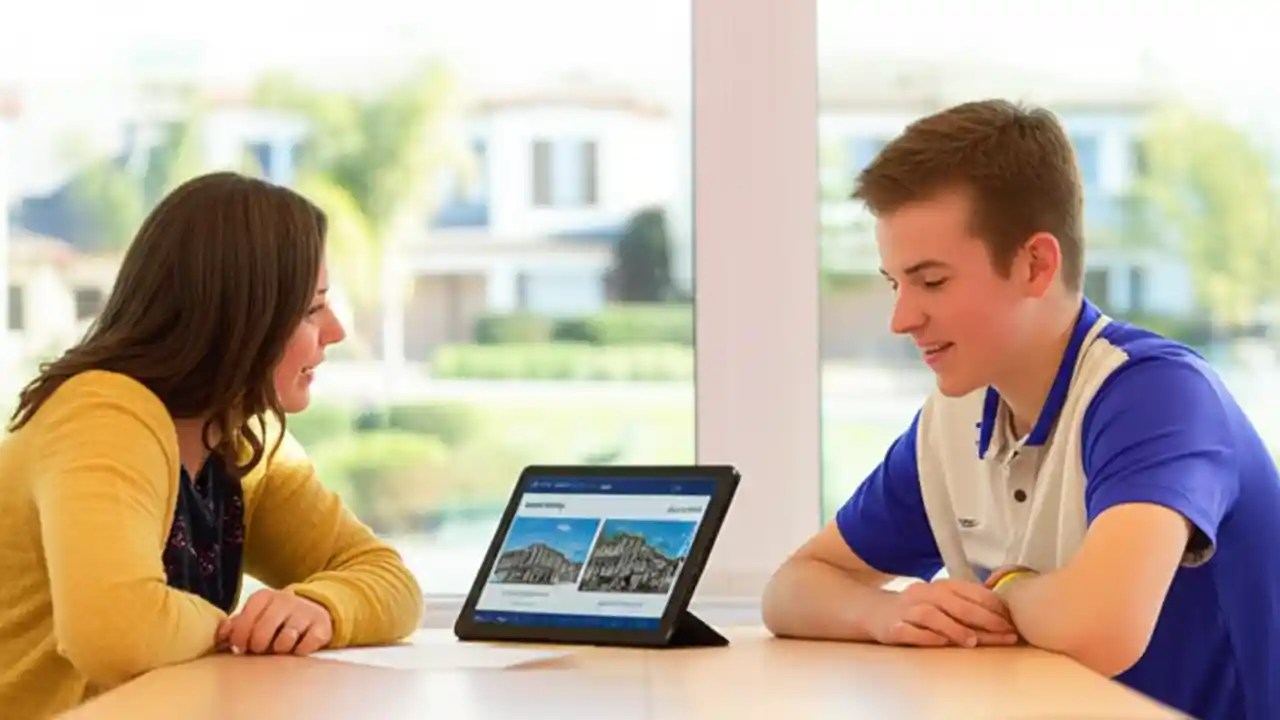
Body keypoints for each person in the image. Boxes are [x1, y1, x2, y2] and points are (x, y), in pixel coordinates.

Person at [761, 100, 1280, 720]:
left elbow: (1103, 627)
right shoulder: (954, 419)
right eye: (895, 283)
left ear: (1036, 264)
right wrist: (891, 611)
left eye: (931, 282)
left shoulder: (1158, 395)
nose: (902, 319)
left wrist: (1006, 590)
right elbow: (792, 588)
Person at [0, 172, 424, 717]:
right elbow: (114, 633)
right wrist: (243, 631)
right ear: (242, 315)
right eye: (312, 309)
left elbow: (391, 581)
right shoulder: (103, 415)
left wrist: (321, 608)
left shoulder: (245, 439)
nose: (336, 330)